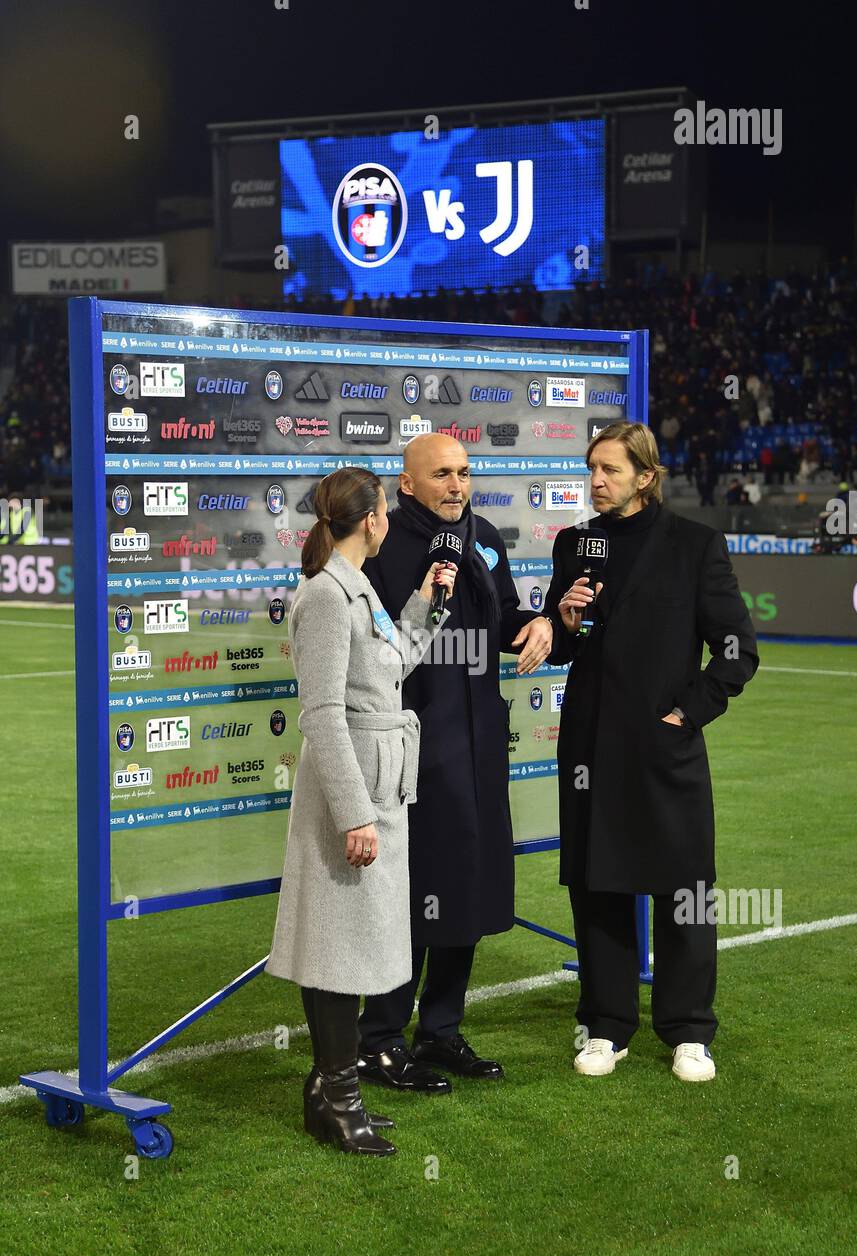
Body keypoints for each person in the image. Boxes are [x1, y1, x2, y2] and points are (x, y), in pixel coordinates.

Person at [544, 422, 758, 1083]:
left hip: (666, 748)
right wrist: (566, 622)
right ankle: (606, 1027)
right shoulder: (575, 544)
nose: (596, 481)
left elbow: (735, 650)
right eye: (591, 469)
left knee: (685, 890)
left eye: (609, 469)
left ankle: (690, 1030)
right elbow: (562, 640)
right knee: (597, 885)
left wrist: (684, 714)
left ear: (646, 475)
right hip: (589, 747)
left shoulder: (695, 545)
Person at [265, 467, 456, 1155]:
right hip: (354, 795)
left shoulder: (358, 587)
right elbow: (321, 714)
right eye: (385, 510)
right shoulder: (324, 596)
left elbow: (390, 666)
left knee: (346, 944)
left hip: (377, 788)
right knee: (339, 948)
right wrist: (354, 816)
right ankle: (339, 1100)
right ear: (373, 518)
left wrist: (429, 604)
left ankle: (330, 1093)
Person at [356, 432, 553, 1092]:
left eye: (464, 473)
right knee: (410, 897)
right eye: (441, 474)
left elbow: (501, 624)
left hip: (476, 747)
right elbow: (376, 647)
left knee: (465, 886)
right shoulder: (383, 544)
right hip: (412, 750)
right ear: (408, 484)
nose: (456, 485)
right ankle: (379, 1039)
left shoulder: (485, 534)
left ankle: (439, 1030)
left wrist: (546, 625)